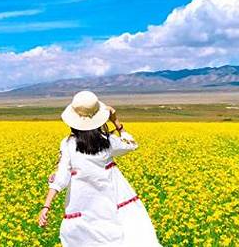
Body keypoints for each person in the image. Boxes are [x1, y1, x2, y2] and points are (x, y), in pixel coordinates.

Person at [38, 90, 162, 247]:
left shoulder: (68, 144)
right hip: (110, 206)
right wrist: (116, 122)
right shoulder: (108, 142)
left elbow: (61, 177)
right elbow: (132, 145)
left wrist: (46, 206)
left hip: (82, 207)